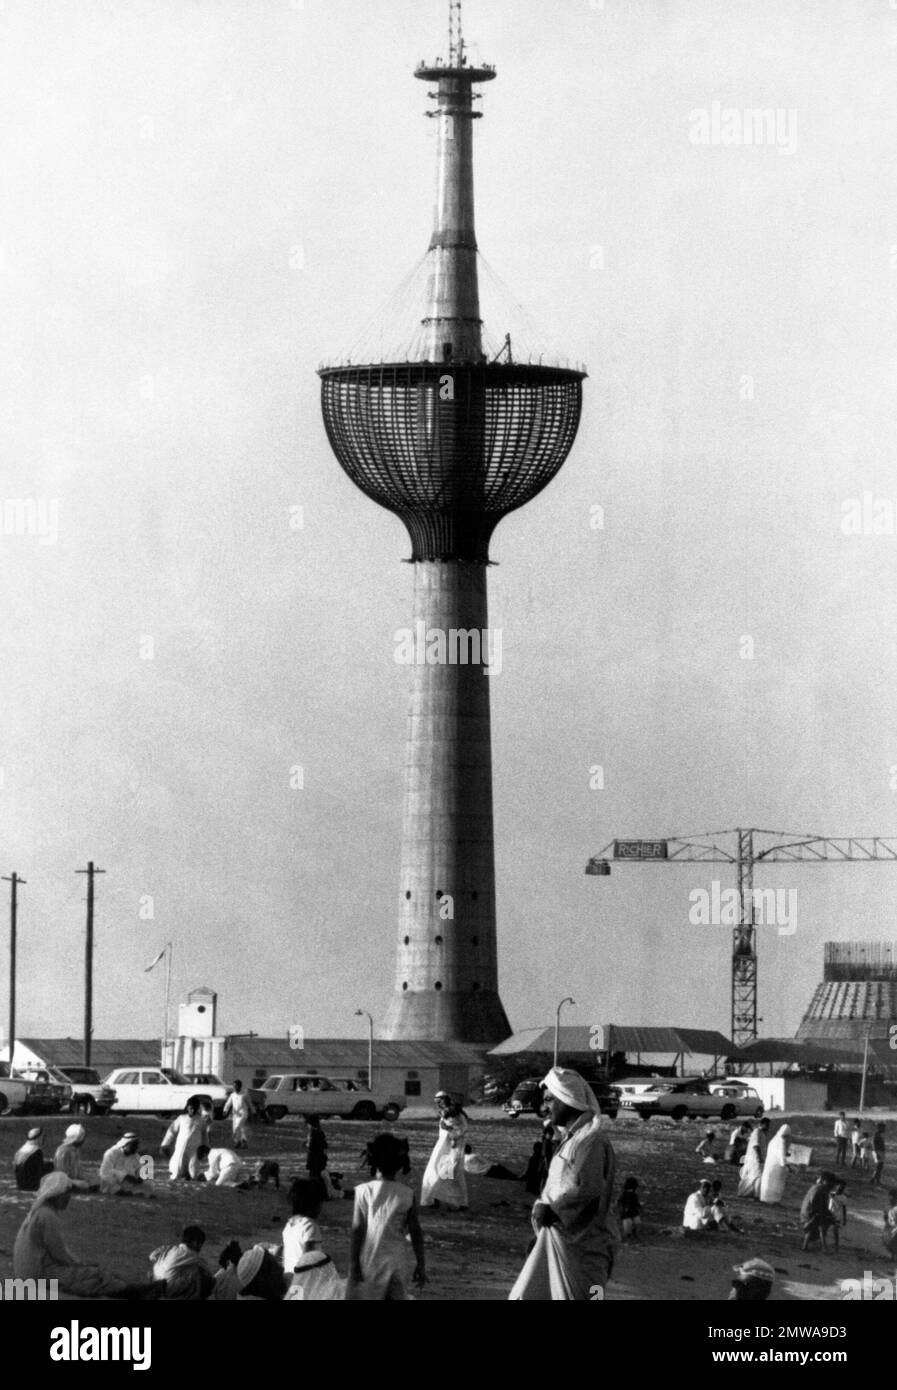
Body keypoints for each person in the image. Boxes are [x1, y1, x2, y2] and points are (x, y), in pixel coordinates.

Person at [508, 1067, 618, 1301]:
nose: (544, 1107)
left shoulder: (591, 1140)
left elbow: (589, 1191)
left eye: (549, 1100)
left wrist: (551, 1211)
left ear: (568, 1099)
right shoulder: (572, 1140)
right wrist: (541, 1236)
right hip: (559, 1241)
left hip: (584, 1250)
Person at [13, 1173, 149, 1298]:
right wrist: (79, 1265)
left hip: (30, 1272)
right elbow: (58, 1253)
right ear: (58, 1194)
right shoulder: (47, 1216)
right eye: (67, 1193)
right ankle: (135, 1292)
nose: (69, 1197)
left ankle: (131, 1288)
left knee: (91, 1272)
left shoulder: (40, 1212)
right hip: (38, 1275)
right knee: (94, 1276)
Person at [346, 1132, 426, 1300]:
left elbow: (357, 1230)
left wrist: (354, 1264)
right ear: (399, 1164)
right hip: (397, 1261)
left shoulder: (363, 1191)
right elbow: (415, 1232)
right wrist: (421, 1264)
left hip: (369, 1260)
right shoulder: (406, 1194)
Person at [281, 1179, 345, 1300]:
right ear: (311, 1204)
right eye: (319, 1204)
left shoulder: (290, 1224)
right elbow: (310, 1258)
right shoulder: (310, 1226)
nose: (321, 1208)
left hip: (290, 1277)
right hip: (304, 1277)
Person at [421, 1096, 469, 1211]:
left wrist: (448, 1128)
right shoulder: (449, 1116)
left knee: (447, 1175)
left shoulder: (455, 1117)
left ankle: (451, 1202)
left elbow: (457, 1133)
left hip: (452, 1151)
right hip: (443, 1150)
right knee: (436, 1173)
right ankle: (434, 1200)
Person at [149, 1224, 214, 1299]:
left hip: (155, 1284)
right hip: (168, 1289)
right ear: (195, 1243)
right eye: (200, 1245)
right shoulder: (191, 1254)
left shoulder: (171, 1248)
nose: (200, 1249)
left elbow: (152, 1256)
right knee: (199, 1273)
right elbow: (208, 1272)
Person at [160, 1100, 205, 1180]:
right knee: (176, 1169)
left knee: (194, 1172)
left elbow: (205, 1135)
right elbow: (171, 1131)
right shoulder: (181, 1118)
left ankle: (189, 1176)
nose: (192, 1110)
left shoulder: (201, 1120)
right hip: (181, 1147)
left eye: (195, 1108)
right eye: (191, 1108)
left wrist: (205, 1147)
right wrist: (165, 1144)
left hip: (194, 1149)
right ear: (187, 1108)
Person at [54, 1124, 96, 1193]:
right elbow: (61, 1174)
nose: (83, 1140)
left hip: (74, 1179)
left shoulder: (74, 1149)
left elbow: (77, 1169)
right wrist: (75, 1182)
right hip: (66, 1181)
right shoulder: (64, 1152)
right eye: (82, 1138)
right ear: (77, 1138)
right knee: (85, 1184)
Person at [800, 1172, 836, 1251]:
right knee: (822, 1226)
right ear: (824, 1181)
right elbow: (816, 1203)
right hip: (811, 1213)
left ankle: (805, 1246)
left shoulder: (818, 1188)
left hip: (808, 1213)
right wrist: (824, 1214)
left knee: (814, 1227)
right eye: (830, 1183)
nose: (832, 1185)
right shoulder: (820, 1190)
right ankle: (823, 1247)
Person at [759, 1123, 792, 1205]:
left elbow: (774, 1152)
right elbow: (781, 1158)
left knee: (768, 1182)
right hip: (777, 1167)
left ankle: (764, 1199)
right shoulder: (782, 1141)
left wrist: (785, 1153)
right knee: (776, 1184)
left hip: (769, 1165)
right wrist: (789, 1167)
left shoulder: (774, 1139)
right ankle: (773, 1201)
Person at [737, 1118, 769, 1199]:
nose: (768, 1127)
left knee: (755, 1177)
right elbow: (756, 1146)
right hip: (755, 1160)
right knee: (757, 1177)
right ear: (762, 1124)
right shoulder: (757, 1132)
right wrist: (760, 1158)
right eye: (767, 1125)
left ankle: (751, 1194)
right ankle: (754, 1195)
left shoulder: (762, 1134)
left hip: (758, 1160)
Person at [14, 1127, 53, 1191]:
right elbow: (40, 1171)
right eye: (43, 1137)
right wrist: (51, 1164)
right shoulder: (36, 1151)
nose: (44, 1139)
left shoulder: (20, 1150)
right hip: (32, 1186)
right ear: (38, 1138)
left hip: (20, 1185)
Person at [223, 1079, 253, 1149]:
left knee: (238, 1128)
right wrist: (225, 1110)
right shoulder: (232, 1095)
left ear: (240, 1087)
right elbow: (228, 1103)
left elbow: (250, 1104)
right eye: (234, 1086)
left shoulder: (244, 1095)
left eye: (236, 1086)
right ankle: (239, 1142)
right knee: (237, 1129)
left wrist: (253, 1112)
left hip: (243, 1115)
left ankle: (243, 1142)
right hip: (235, 1116)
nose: (235, 1088)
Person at [306, 1115, 328, 1183]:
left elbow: (312, 1147)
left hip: (315, 1159)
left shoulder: (314, 1133)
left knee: (314, 1177)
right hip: (320, 1159)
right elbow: (325, 1145)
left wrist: (307, 1144)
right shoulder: (320, 1132)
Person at [828, 1178, 847, 1252]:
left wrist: (844, 1219)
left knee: (835, 1231)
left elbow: (844, 1209)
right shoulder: (831, 1194)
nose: (840, 1188)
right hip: (828, 1213)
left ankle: (836, 1247)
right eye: (839, 1186)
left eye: (842, 1187)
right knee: (824, 1229)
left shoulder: (844, 1198)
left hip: (837, 1216)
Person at [881, 1187, 897, 1259]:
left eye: (893, 1198)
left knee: (893, 1240)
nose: (891, 1200)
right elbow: (885, 1217)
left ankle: (893, 1255)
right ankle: (892, 1255)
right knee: (888, 1241)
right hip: (889, 1226)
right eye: (890, 1198)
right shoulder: (887, 1206)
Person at [871, 1122, 886, 1187]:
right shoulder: (876, 1135)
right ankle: (873, 1179)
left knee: (880, 1167)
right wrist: (876, 1153)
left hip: (880, 1152)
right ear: (880, 1128)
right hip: (878, 1152)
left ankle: (877, 1180)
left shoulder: (879, 1134)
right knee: (878, 1167)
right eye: (883, 1128)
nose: (884, 1129)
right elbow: (873, 1144)